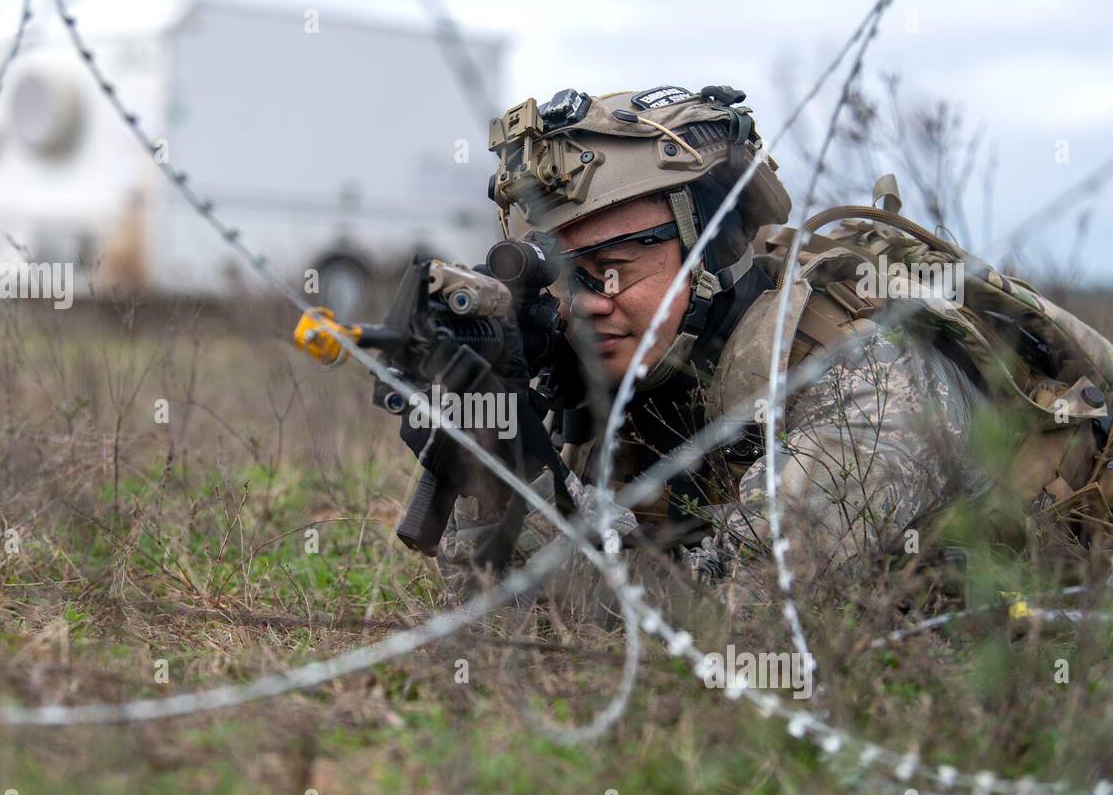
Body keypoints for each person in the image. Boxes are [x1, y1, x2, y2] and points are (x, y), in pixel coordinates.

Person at [415, 85, 1113, 593]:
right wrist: (501, 467)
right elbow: (497, 614)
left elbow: (737, 618)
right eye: (562, 277)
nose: (583, 306)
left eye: (612, 270)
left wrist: (556, 519)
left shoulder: (866, 377)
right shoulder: (630, 380)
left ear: (710, 251)